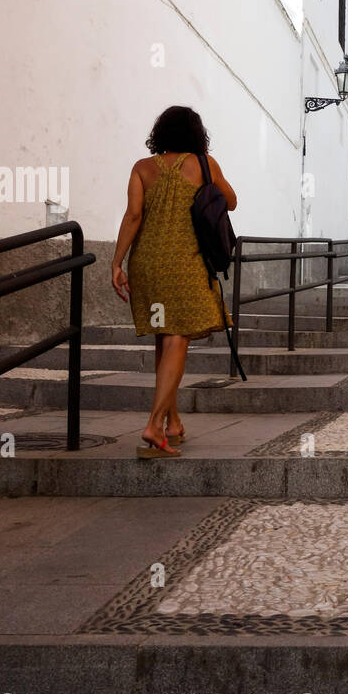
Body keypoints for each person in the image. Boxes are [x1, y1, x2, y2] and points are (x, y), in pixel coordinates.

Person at [110, 106, 237, 458]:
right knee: (177, 338)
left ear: (160, 133)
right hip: (185, 263)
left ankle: (173, 422)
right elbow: (232, 201)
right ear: (197, 134)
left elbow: (133, 216)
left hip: (147, 265)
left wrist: (116, 263)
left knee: (163, 338)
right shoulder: (205, 163)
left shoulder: (142, 168)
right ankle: (153, 425)